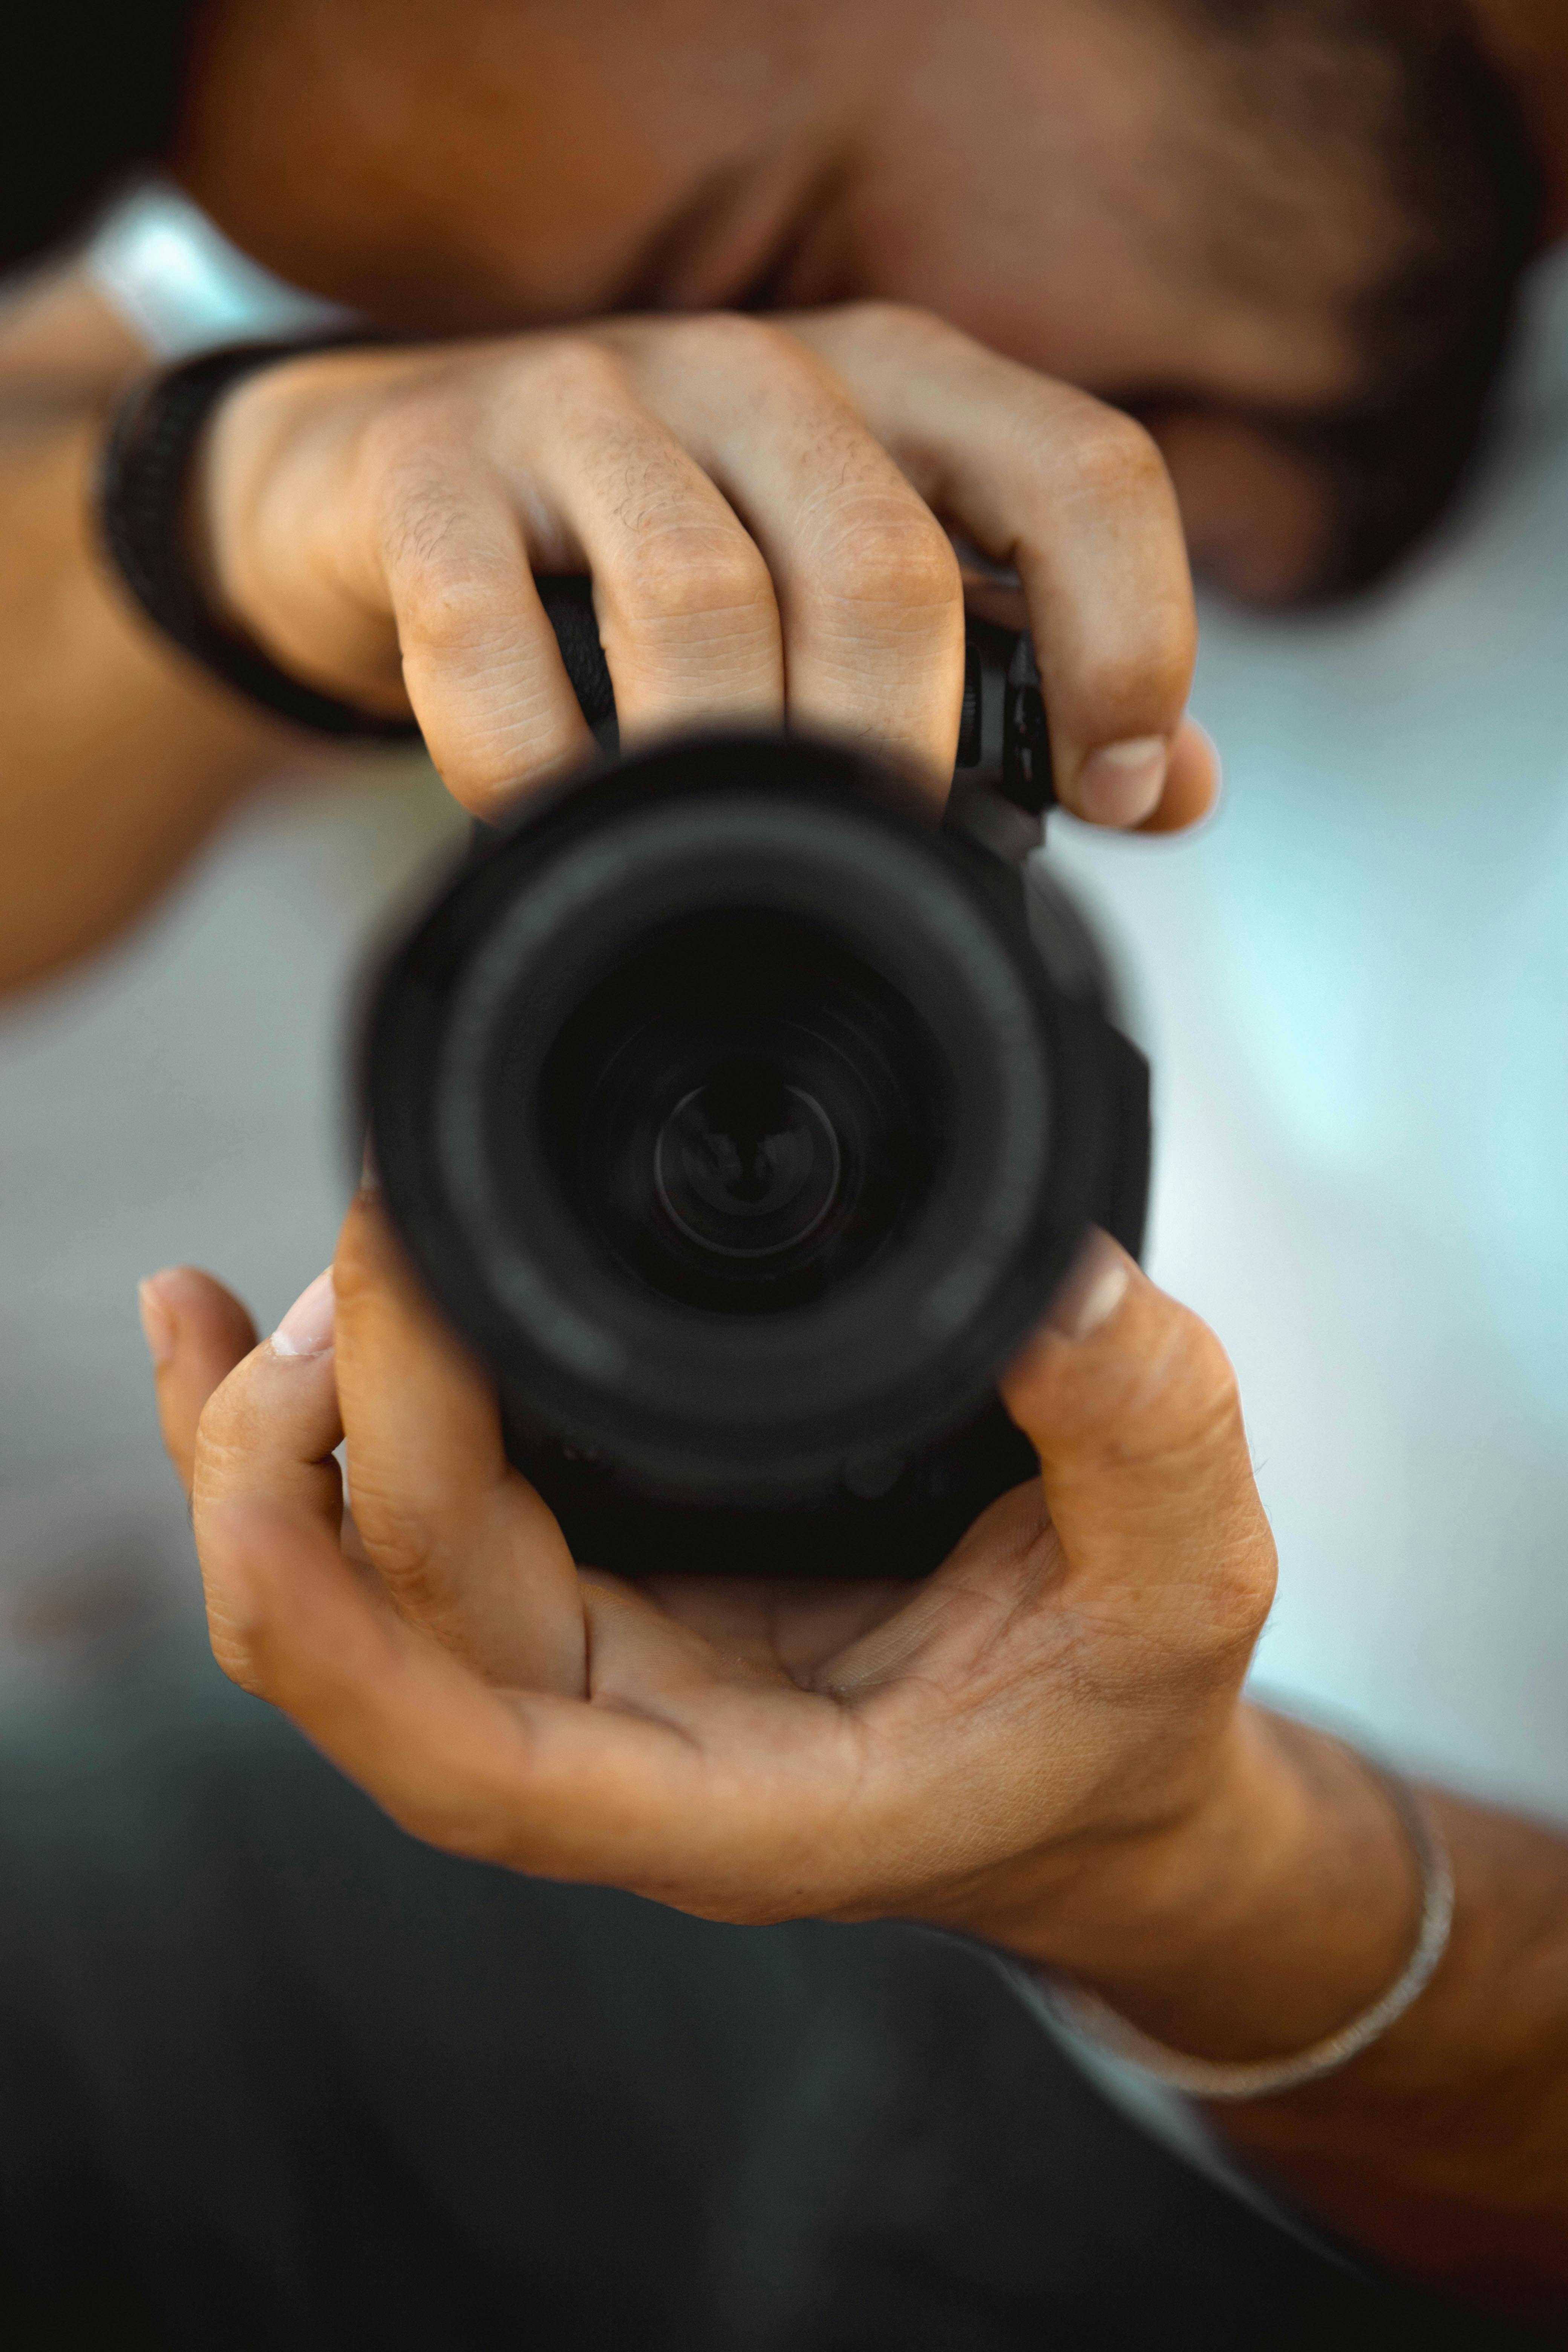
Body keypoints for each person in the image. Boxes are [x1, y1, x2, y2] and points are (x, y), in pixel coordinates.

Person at [2, 0, 1566, 2340]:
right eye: (640, 351)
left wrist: (1191, 1879)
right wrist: (242, 496)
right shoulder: (527, 101)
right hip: (618, 1889)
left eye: (785, 253)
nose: (814, 431)